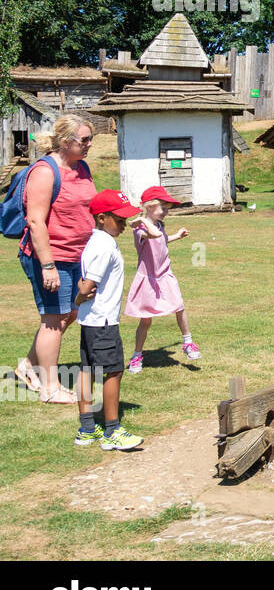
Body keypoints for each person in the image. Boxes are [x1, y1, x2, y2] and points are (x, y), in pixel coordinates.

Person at [15, 114, 97, 404]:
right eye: (84, 140)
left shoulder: (82, 167)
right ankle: (50, 389)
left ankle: (28, 365)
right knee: (54, 319)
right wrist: (48, 265)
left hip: (77, 255)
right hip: (50, 257)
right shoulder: (45, 171)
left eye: (91, 139)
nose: (89, 144)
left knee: (71, 313)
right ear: (65, 142)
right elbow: (36, 222)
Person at [73, 189, 144, 450]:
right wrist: (79, 300)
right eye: (120, 219)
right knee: (113, 371)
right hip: (103, 321)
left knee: (87, 370)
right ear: (102, 218)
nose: (124, 224)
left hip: (90, 320)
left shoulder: (96, 241)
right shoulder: (104, 246)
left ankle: (87, 429)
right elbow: (87, 286)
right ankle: (112, 430)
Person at [124, 186, 196, 373]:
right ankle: (137, 355)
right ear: (149, 206)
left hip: (165, 276)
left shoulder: (158, 225)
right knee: (146, 320)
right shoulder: (139, 228)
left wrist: (176, 236)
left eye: (167, 209)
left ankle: (188, 342)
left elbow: (160, 239)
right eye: (162, 208)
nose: (165, 212)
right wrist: (141, 220)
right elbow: (153, 236)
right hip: (149, 279)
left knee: (179, 307)